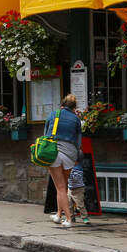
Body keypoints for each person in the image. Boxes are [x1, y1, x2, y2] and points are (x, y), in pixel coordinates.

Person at [45, 94, 83, 229]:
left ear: (62, 105)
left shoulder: (53, 115)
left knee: (60, 187)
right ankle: (58, 214)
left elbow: (46, 135)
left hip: (54, 152)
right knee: (63, 186)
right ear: (74, 108)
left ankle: (68, 219)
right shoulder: (76, 119)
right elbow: (79, 141)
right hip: (70, 154)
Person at [68, 161, 90, 225]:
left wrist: (68, 173)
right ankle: (71, 217)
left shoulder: (78, 169)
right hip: (70, 189)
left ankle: (85, 217)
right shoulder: (69, 168)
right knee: (69, 205)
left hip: (78, 189)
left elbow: (75, 178)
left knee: (80, 205)